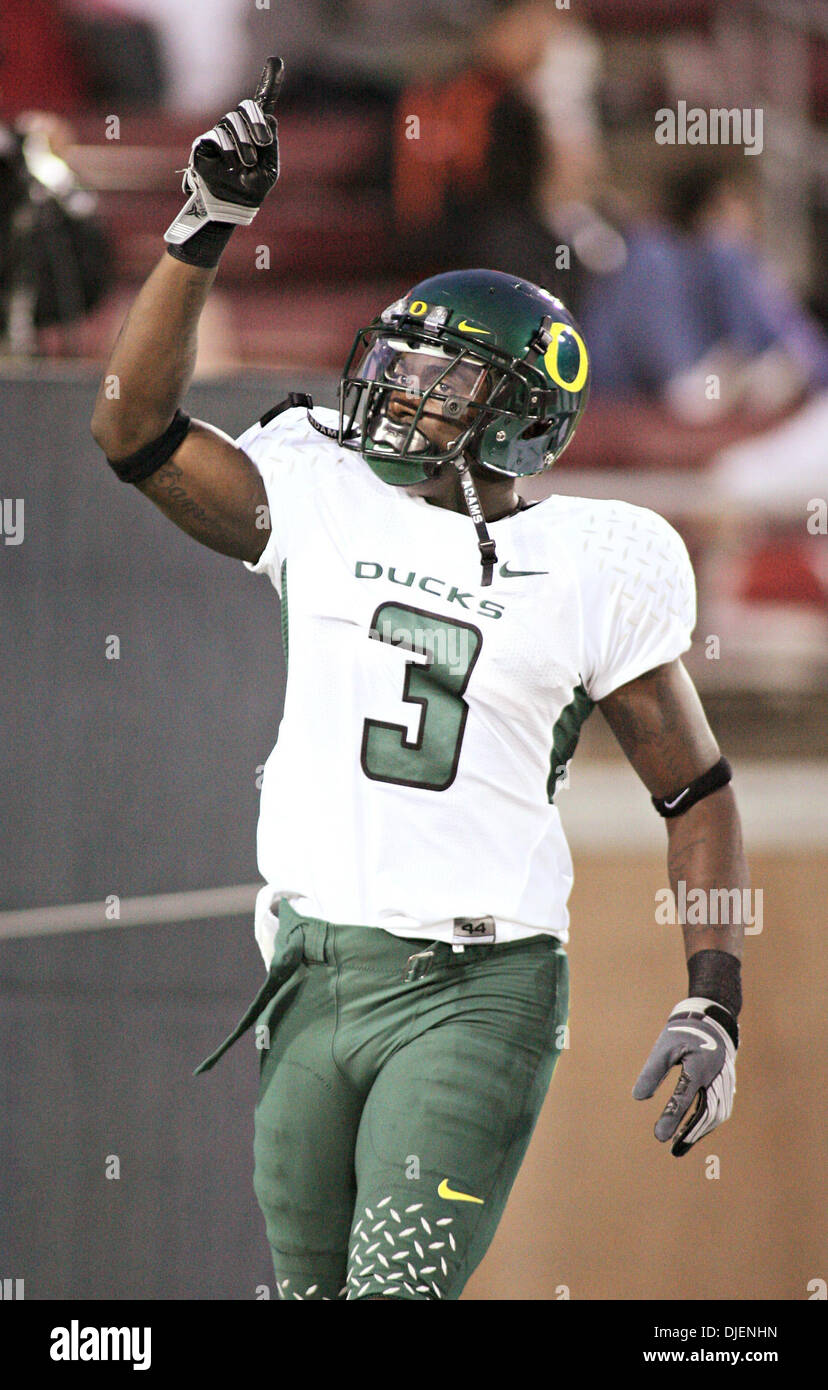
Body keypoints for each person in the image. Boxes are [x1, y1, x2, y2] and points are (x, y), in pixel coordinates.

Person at [90, 59, 749, 1302]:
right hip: (309, 969)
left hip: (474, 986)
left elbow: (698, 792)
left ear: (520, 415)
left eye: (443, 379)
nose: (400, 390)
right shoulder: (324, 491)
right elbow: (131, 429)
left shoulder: (591, 562)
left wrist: (714, 997)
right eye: (399, 361)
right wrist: (201, 230)